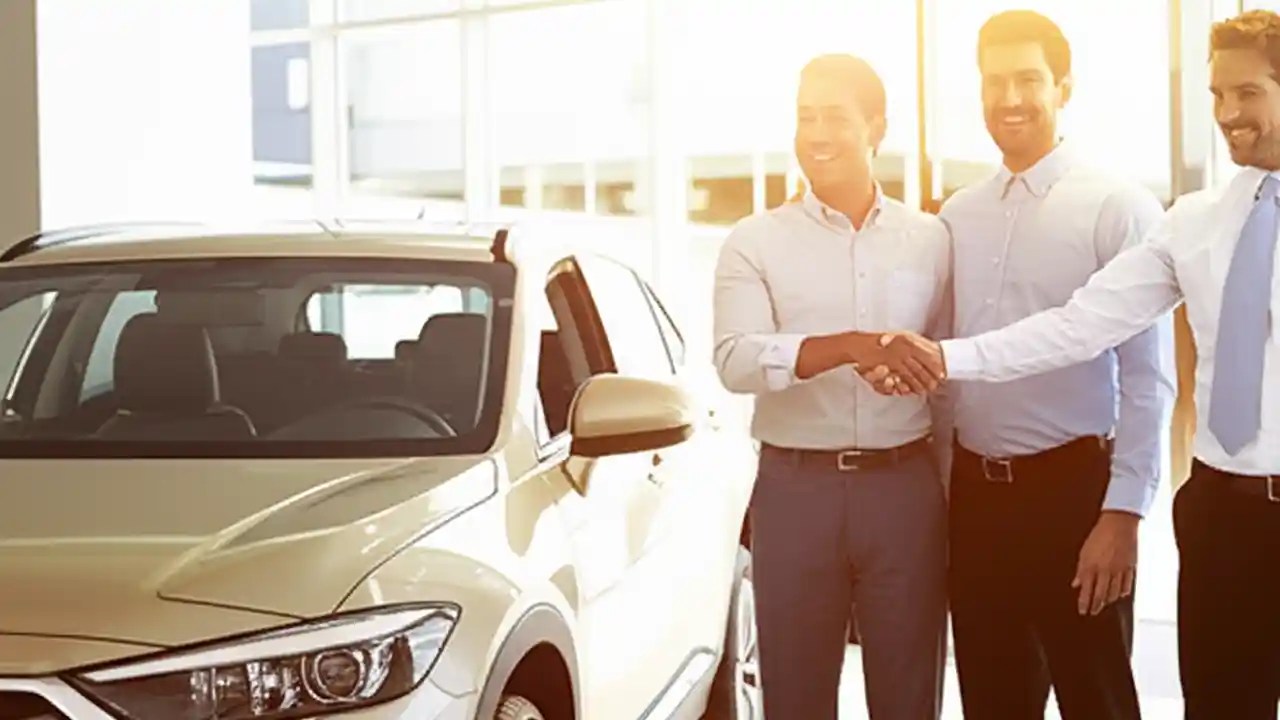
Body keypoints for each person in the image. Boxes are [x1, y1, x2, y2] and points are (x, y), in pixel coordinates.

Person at [867, 9, 1280, 718]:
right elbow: (1078, 326)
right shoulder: (1196, 220)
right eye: (1216, 95)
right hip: (1220, 514)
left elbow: (1146, 380)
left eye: (1248, 94)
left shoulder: (1115, 203)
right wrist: (947, 357)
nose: (1228, 114)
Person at [936, 11, 1176, 720]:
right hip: (977, 503)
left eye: (1029, 79)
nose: (1010, 98)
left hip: (1074, 496)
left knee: (1096, 702)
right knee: (992, 704)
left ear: (1063, 87)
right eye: (994, 81)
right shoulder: (956, 214)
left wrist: (1123, 515)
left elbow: (1147, 377)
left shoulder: (1117, 206)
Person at [712, 53, 950, 719]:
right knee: (795, 696)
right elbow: (734, 360)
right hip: (795, 492)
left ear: (876, 127)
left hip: (905, 489)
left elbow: (949, 371)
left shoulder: (930, 239)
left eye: (835, 117)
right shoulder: (753, 242)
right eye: (804, 117)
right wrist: (848, 347)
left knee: (909, 696)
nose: (816, 133)